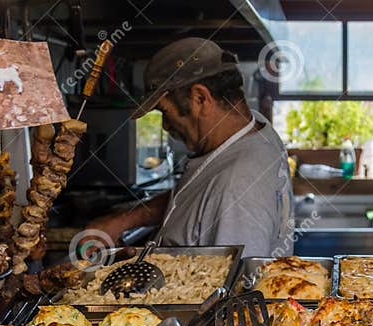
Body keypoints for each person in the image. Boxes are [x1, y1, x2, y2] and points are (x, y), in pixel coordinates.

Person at [88, 38, 293, 256]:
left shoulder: (237, 188)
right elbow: (196, 197)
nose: (166, 126)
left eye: (165, 112)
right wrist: (124, 220)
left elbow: (235, 286)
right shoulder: (256, 129)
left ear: (200, 98)